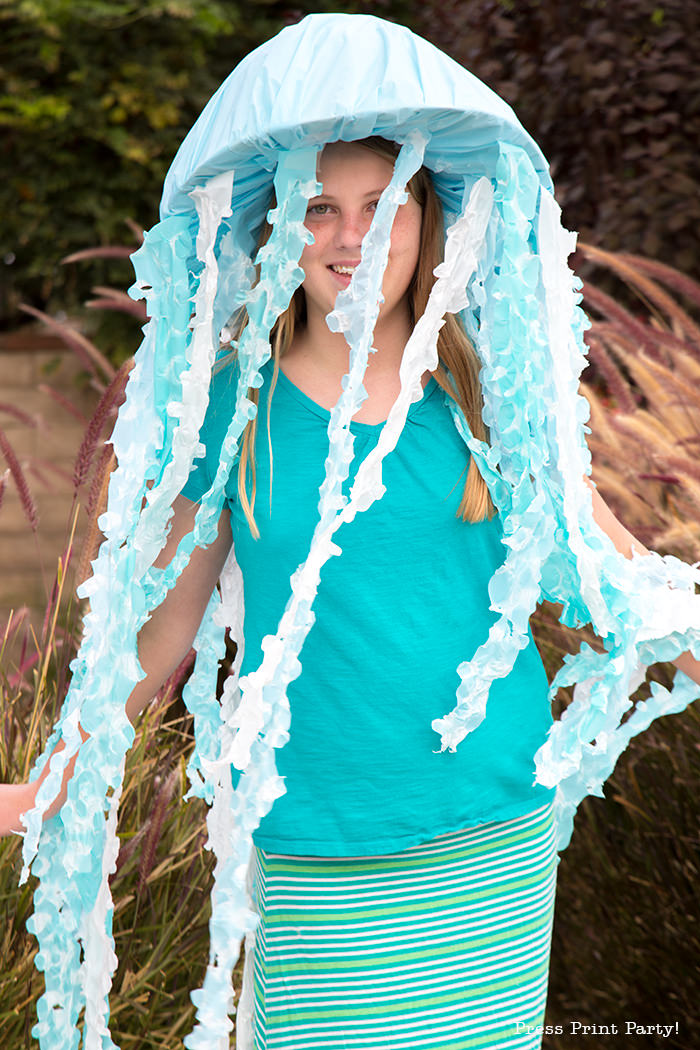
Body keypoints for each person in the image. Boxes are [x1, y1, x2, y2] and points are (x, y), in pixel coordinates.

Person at [2, 13, 699, 1050]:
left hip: (490, 834)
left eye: (380, 206)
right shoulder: (235, 413)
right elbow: (159, 631)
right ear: (279, 227)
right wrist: (54, 779)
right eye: (319, 208)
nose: (349, 237)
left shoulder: (486, 393)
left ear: (424, 217)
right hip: (318, 844)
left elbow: (608, 570)